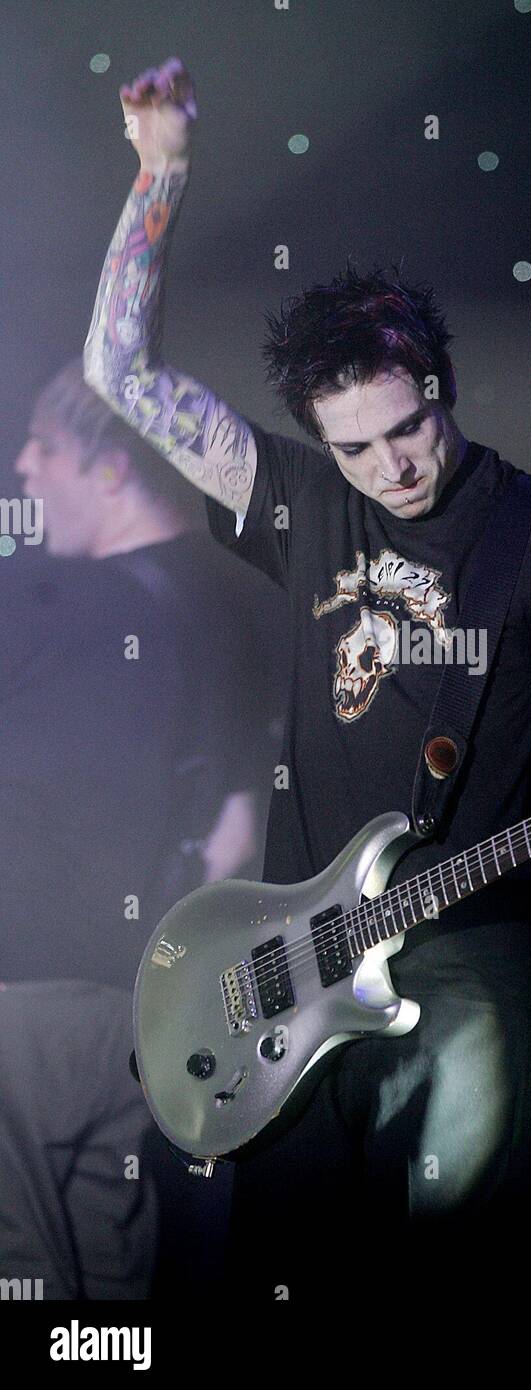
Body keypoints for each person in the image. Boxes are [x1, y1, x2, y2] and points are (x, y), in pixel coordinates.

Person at [82, 56, 531, 1302]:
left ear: (438, 388)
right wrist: (160, 177)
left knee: (463, 1282)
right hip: (290, 958)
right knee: (287, 1274)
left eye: (409, 427)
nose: (392, 466)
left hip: (462, 956)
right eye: (355, 446)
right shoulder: (298, 498)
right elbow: (118, 377)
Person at [0, 358, 286, 1298]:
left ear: (114, 470)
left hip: (21, 1013)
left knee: (25, 1282)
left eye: (47, 449)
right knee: (114, 1309)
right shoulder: (236, 606)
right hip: (145, 1028)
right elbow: (239, 837)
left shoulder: (60, 608)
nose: (26, 469)